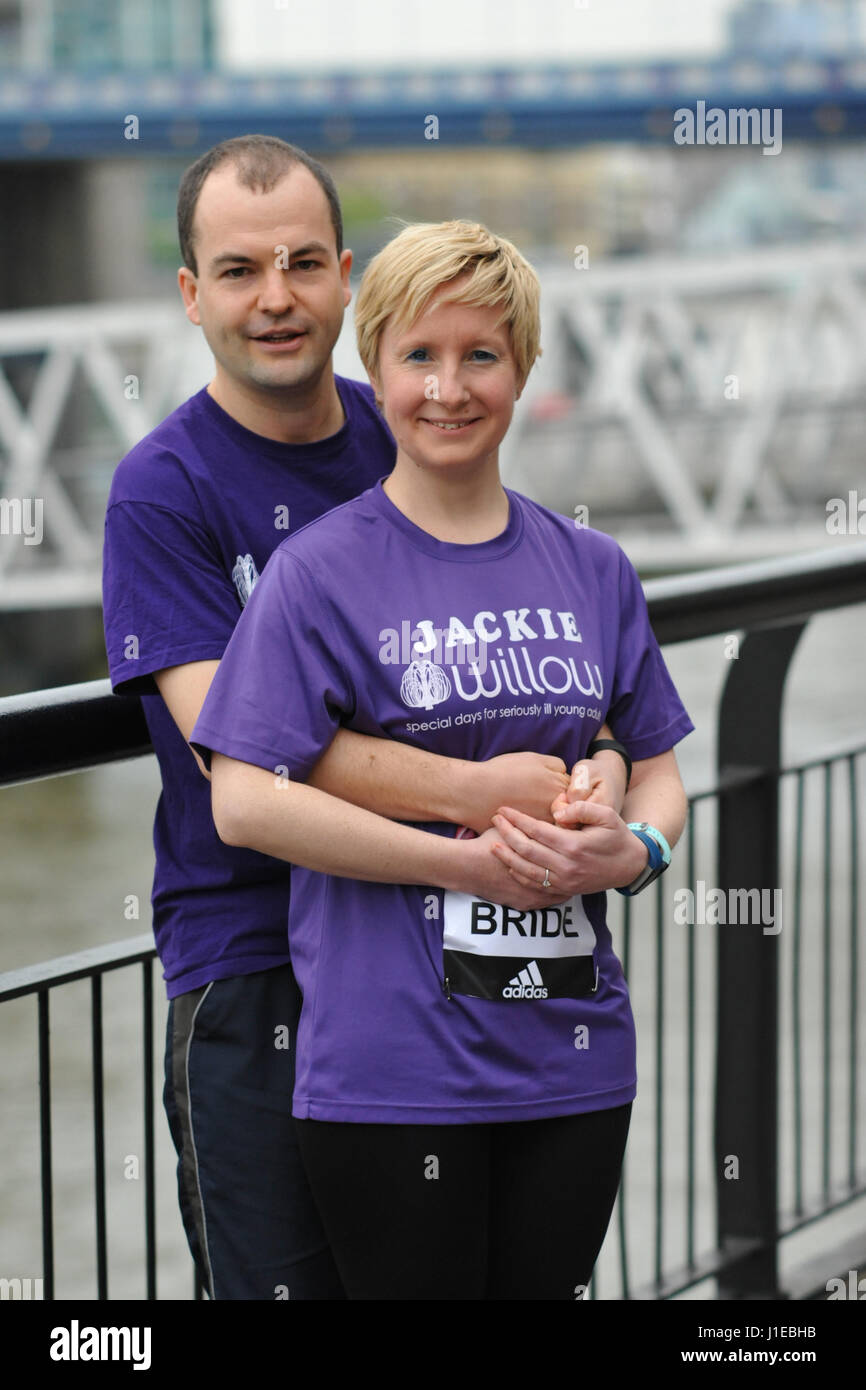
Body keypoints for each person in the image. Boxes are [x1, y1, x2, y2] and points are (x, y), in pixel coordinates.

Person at [102, 139, 627, 1300]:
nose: (275, 297)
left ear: (345, 280)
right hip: (254, 955)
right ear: (191, 295)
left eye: (301, 263)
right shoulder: (164, 489)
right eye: (238, 271)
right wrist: (477, 799)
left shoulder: (410, 415)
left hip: (434, 952)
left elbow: (539, 648)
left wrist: (592, 767)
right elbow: (236, 747)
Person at [190, 219, 694, 1301]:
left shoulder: (591, 566)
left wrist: (631, 843)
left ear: (521, 369)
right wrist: (460, 863)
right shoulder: (315, 573)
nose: (448, 388)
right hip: (391, 1074)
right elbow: (242, 800)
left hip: (572, 1058)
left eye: (480, 355)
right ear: (373, 370)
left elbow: (653, 765)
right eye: (417, 356)